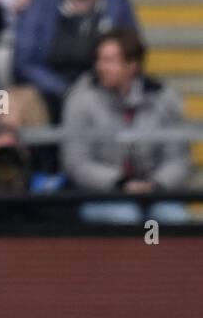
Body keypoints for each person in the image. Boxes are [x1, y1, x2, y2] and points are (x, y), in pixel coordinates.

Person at [62, 28, 191, 223]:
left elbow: (178, 158)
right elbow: (76, 162)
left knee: (175, 218)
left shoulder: (163, 99)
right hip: (102, 194)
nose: (100, 66)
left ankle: (158, 254)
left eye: (109, 61)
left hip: (154, 193)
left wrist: (155, 184)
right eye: (99, 59)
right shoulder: (81, 99)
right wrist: (120, 182)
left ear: (132, 65)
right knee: (125, 217)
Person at [14, 0, 139, 119]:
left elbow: (131, 52)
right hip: (47, 92)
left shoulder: (117, 3)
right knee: (10, 105)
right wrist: (65, 90)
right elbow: (24, 61)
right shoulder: (42, 0)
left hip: (103, 91)